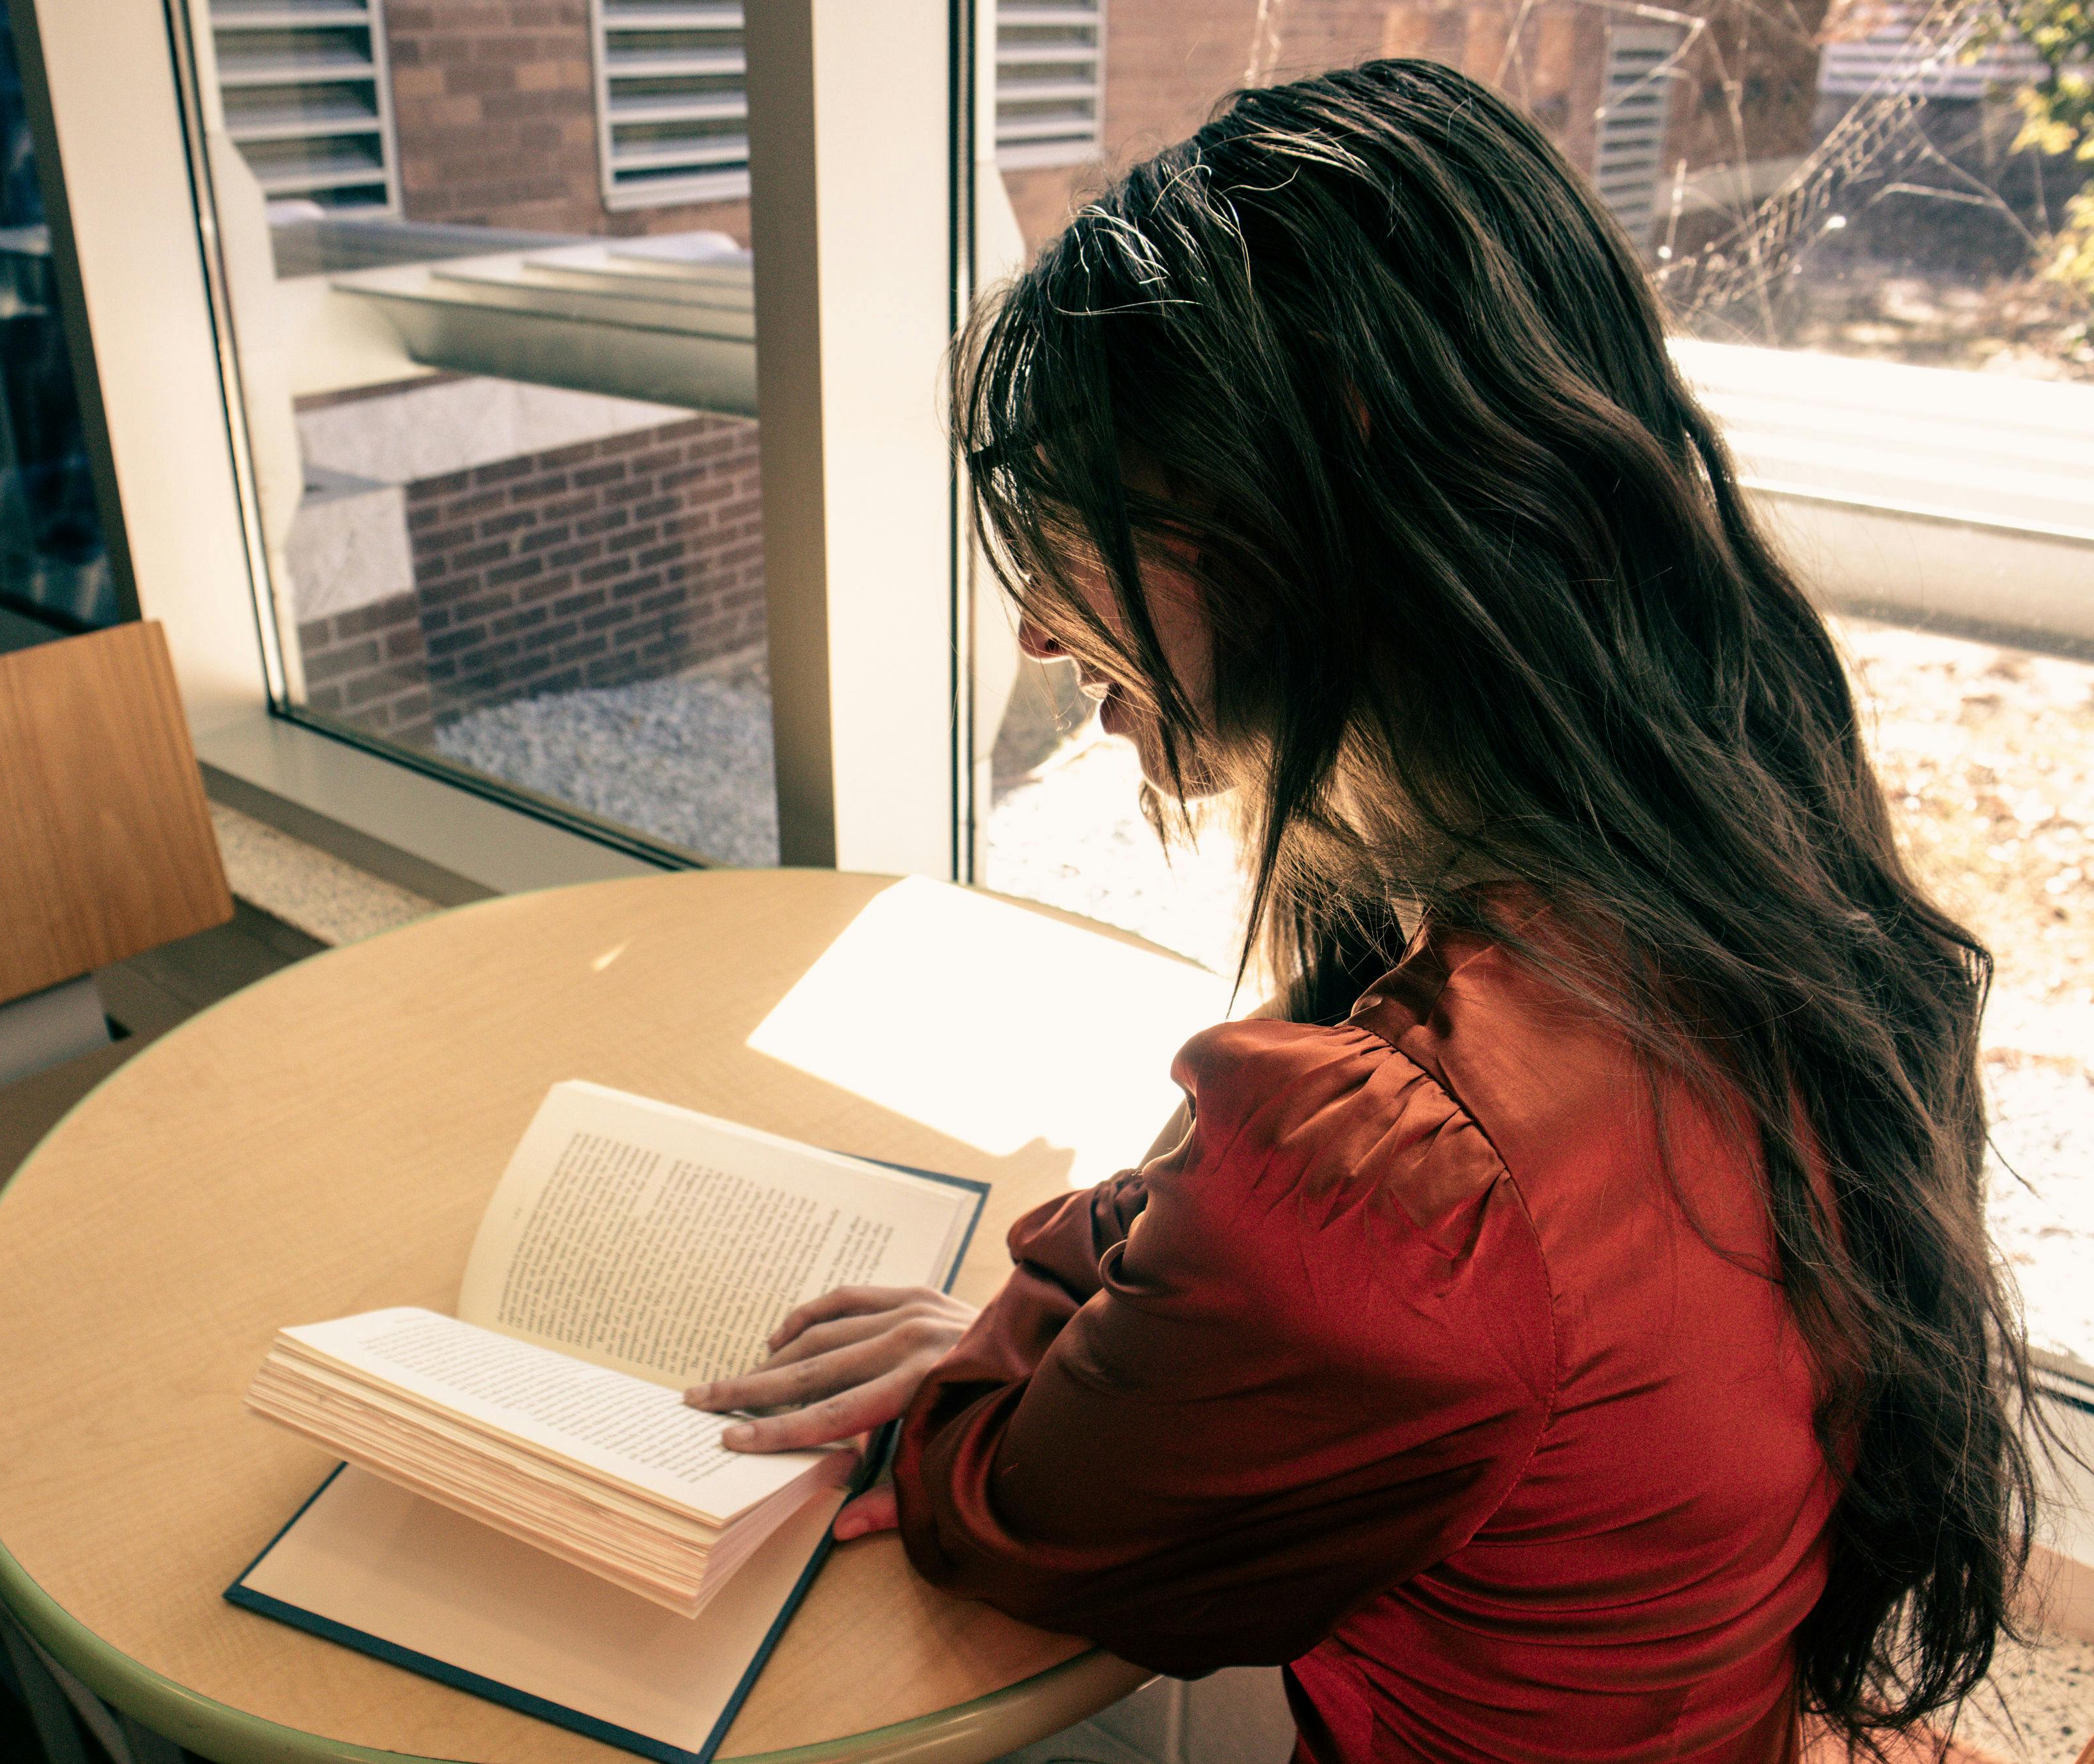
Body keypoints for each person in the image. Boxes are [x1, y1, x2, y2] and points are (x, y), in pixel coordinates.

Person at [681, 59, 2043, 1763]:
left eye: (1089, 530)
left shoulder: (1397, 1190)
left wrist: (1008, 1337)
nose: (1037, 630)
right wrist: (1142, 1255)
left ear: (1321, 552)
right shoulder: (1738, 851)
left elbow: (1018, 1513)